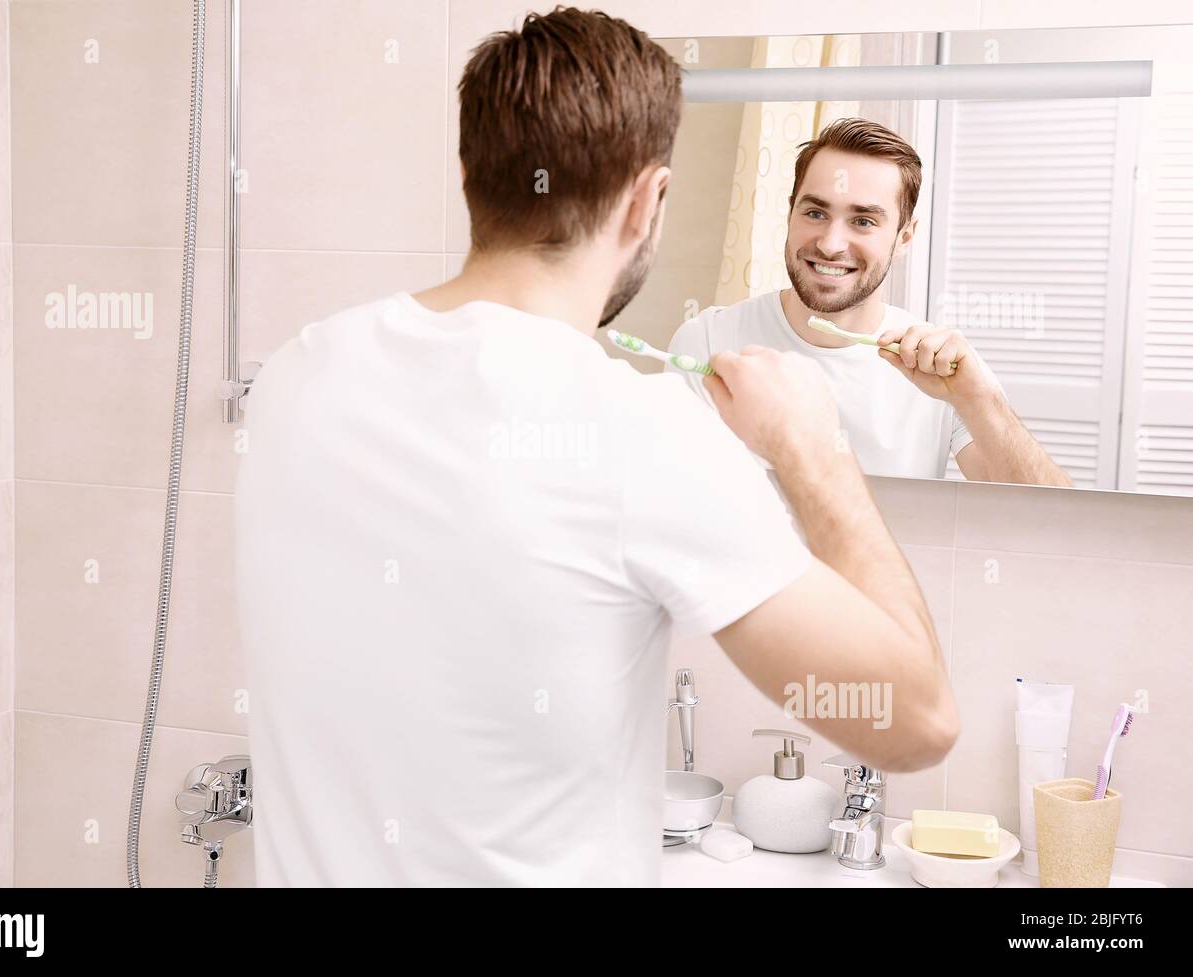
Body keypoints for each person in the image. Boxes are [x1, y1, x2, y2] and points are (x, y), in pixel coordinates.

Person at [233, 7, 957, 888]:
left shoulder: (296, 375)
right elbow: (915, 721)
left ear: (471, 176)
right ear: (650, 200)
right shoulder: (643, 431)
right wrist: (814, 453)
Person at [668, 117, 1071, 486]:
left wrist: (979, 399)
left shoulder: (939, 369)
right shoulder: (707, 341)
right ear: (790, 213)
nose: (830, 244)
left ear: (904, 237)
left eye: (863, 221)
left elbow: (1054, 523)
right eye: (815, 213)